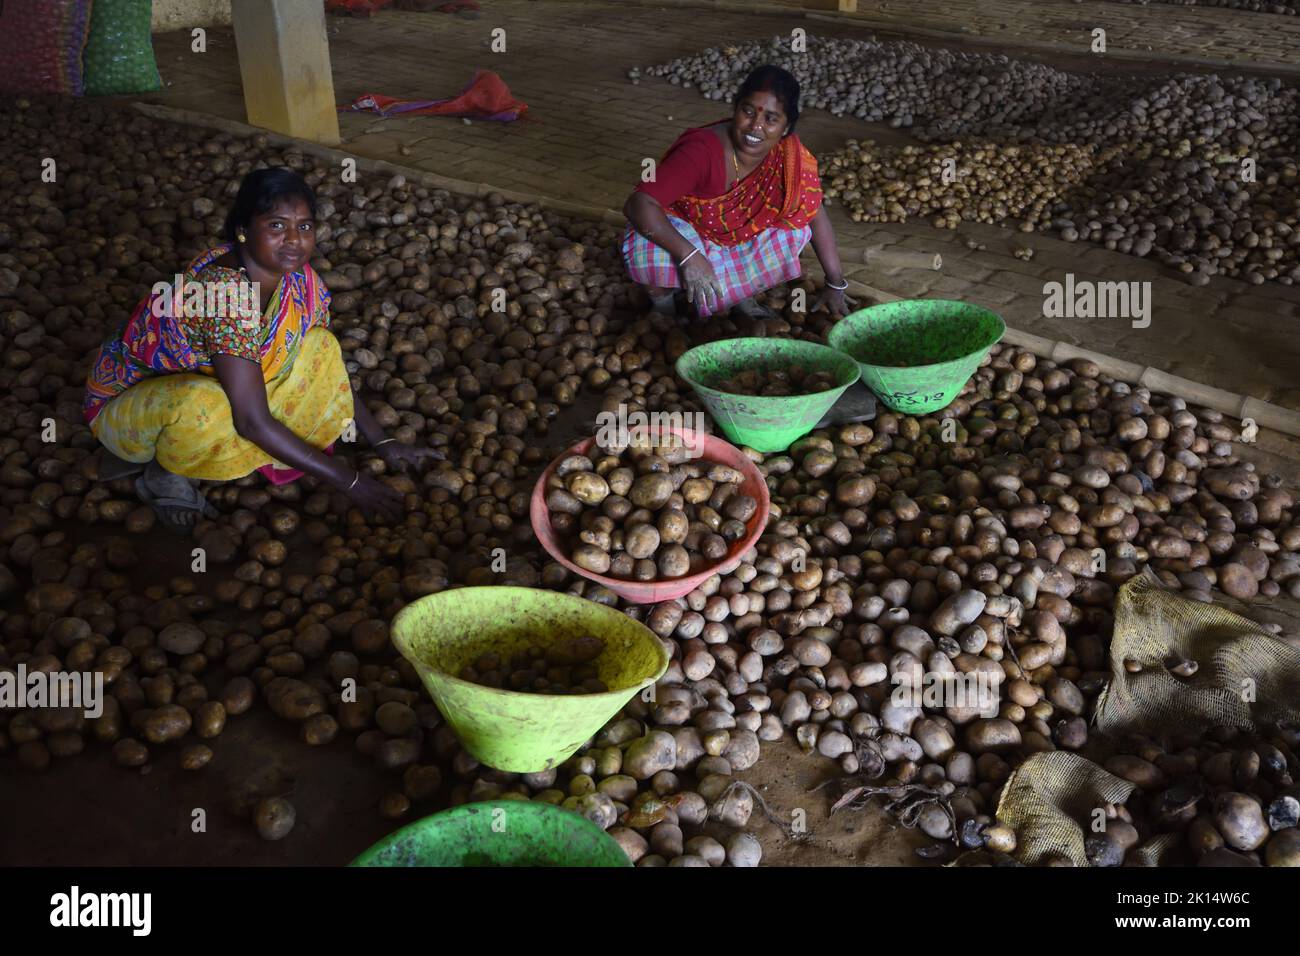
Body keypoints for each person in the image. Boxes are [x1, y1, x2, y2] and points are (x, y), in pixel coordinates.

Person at [83, 168, 440, 531]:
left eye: (304, 227)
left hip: (232, 391)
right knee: (202, 404)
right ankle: (165, 469)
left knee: (320, 345)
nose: (294, 240)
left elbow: (328, 369)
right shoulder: (223, 295)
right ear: (243, 229)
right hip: (131, 410)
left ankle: (256, 449)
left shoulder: (298, 279)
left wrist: (384, 440)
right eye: (276, 226)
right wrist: (351, 482)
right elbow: (251, 420)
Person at [622, 64, 856, 321]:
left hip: (735, 239)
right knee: (645, 242)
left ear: (786, 128)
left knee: (797, 228)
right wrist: (689, 256)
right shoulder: (702, 151)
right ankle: (663, 305)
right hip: (687, 230)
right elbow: (639, 204)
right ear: (736, 109)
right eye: (748, 111)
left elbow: (815, 214)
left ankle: (740, 296)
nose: (755, 126)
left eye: (771, 118)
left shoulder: (788, 159)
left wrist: (835, 284)